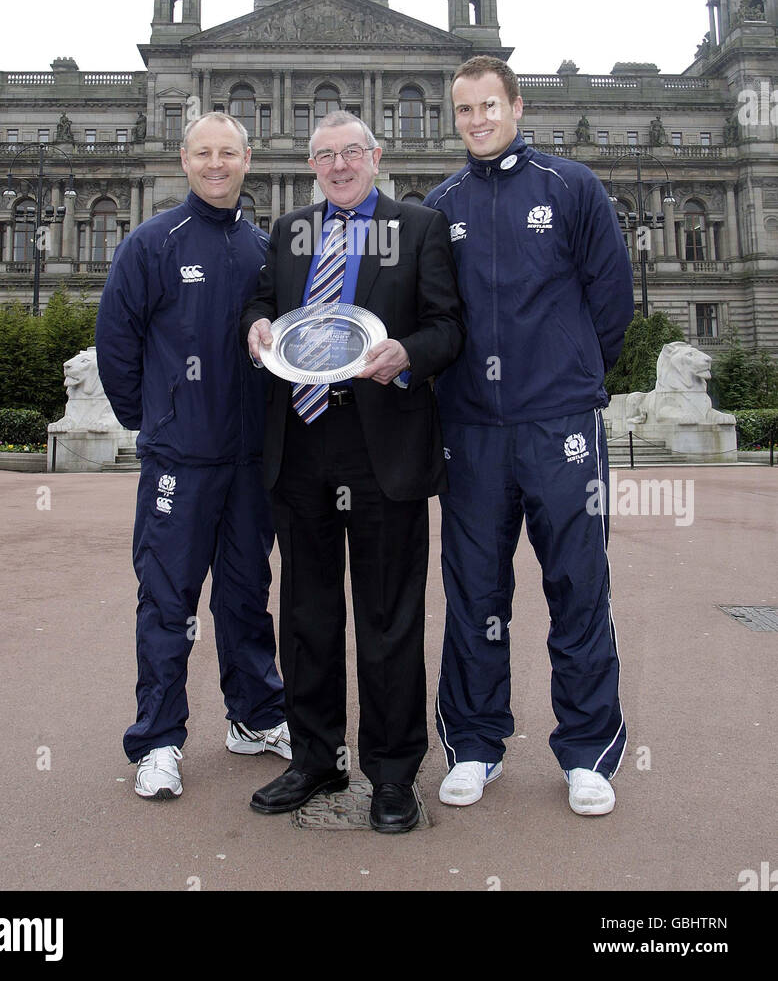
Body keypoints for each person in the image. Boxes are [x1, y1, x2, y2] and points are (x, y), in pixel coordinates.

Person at [424, 55, 635, 816]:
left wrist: (569, 374)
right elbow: (436, 322)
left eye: (489, 104)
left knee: (578, 585)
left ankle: (587, 752)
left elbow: (612, 300)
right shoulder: (439, 203)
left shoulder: (570, 187)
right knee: (475, 591)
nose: (477, 119)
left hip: (559, 425)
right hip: (473, 431)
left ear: (516, 105)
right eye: (465, 109)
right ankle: (476, 744)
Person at [242, 111, 463, 832]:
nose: (338, 166)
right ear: (311, 164)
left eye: (351, 153)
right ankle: (315, 759)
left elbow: (447, 326)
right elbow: (266, 303)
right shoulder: (285, 232)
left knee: (389, 615)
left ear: (375, 157)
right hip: (301, 442)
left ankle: (393, 774)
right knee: (305, 613)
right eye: (324, 155)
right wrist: (256, 328)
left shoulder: (419, 226)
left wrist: (409, 356)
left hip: (381, 445)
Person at [96, 112, 289, 801]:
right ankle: (158, 739)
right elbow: (115, 345)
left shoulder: (266, 249)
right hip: (180, 458)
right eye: (203, 153)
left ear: (247, 160)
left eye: (228, 153)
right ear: (184, 160)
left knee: (246, 596)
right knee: (168, 601)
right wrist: (155, 420)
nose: (216, 164)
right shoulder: (151, 243)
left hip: (246, 464)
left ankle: (256, 717)